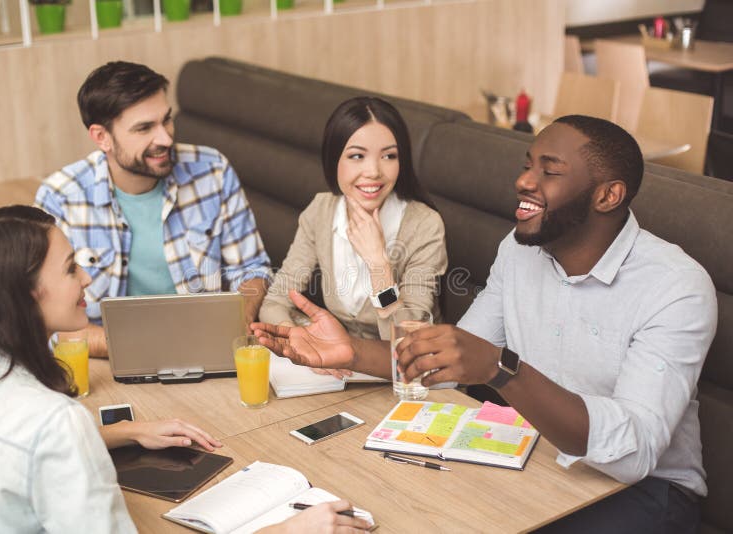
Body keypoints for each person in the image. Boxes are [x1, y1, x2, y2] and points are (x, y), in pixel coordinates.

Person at [253, 115, 717, 533]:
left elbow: (634, 451)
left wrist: (501, 370)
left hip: (643, 492)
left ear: (607, 195)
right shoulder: (518, 251)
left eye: (549, 171)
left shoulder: (675, 286)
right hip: (534, 453)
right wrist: (352, 352)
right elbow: (450, 358)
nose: (523, 181)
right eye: (527, 165)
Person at [0, 206, 370, 533]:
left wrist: (120, 433)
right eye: (70, 269)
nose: (86, 278)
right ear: (25, 296)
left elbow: (18, 454)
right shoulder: (54, 423)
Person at [35, 61, 271, 357]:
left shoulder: (213, 171)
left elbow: (252, 270)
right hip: (108, 358)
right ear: (102, 137)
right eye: (144, 128)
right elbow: (46, 320)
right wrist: (151, 346)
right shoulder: (60, 198)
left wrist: (237, 321)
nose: (166, 138)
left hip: (205, 347)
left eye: (166, 120)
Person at [259, 96, 447, 376]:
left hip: (411, 378)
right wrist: (305, 344)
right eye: (357, 156)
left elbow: (410, 342)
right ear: (334, 159)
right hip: (345, 372)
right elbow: (275, 301)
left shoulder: (424, 225)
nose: (373, 172)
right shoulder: (321, 211)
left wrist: (379, 265)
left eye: (389, 156)